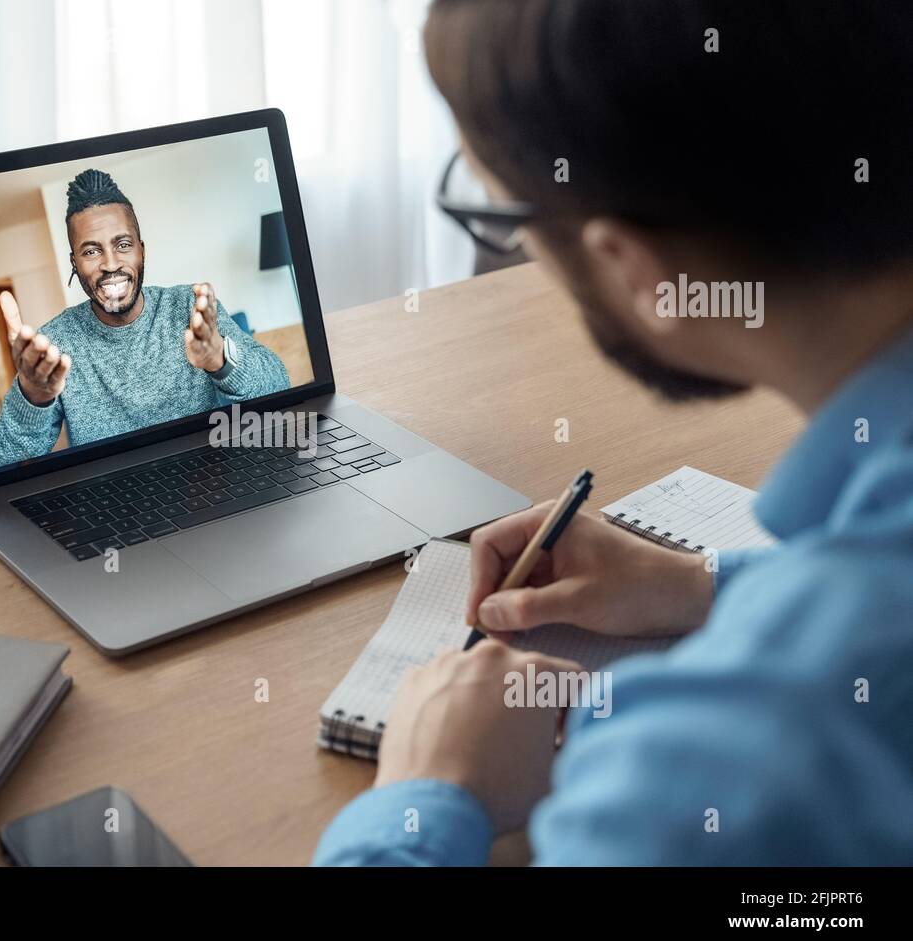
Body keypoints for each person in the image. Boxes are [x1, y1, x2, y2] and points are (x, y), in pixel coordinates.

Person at [315, 0, 913, 865]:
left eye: (515, 224)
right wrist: (703, 585)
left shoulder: (725, 769)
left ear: (637, 271)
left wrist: (424, 792)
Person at [0, 168, 289, 468]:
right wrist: (32, 399)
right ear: (74, 264)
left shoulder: (188, 306)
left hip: (214, 478)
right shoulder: (55, 343)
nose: (110, 263)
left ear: (142, 251)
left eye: (123, 245)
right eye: (91, 252)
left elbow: (279, 386)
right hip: (112, 502)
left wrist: (220, 358)